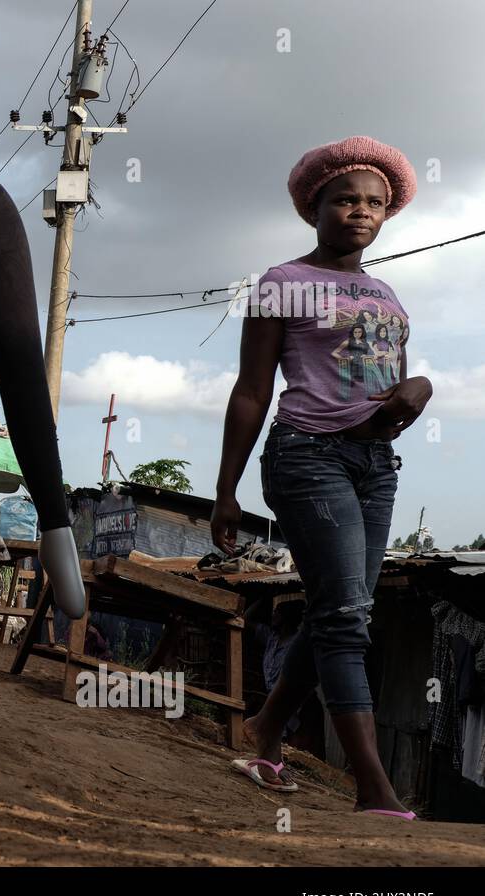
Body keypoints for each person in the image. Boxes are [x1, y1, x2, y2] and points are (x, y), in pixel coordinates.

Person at [211, 136, 431, 818]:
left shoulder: (388, 294)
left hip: (375, 467)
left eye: (373, 203)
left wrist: (418, 388)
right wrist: (227, 489)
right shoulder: (281, 282)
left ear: (385, 215)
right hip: (308, 456)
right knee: (345, 616)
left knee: (345, 609)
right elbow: (250, 389)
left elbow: (390, 385)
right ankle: (374, 789)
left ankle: (266, 730)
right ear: (316, 208)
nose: (359, 212)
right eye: (345, 200)